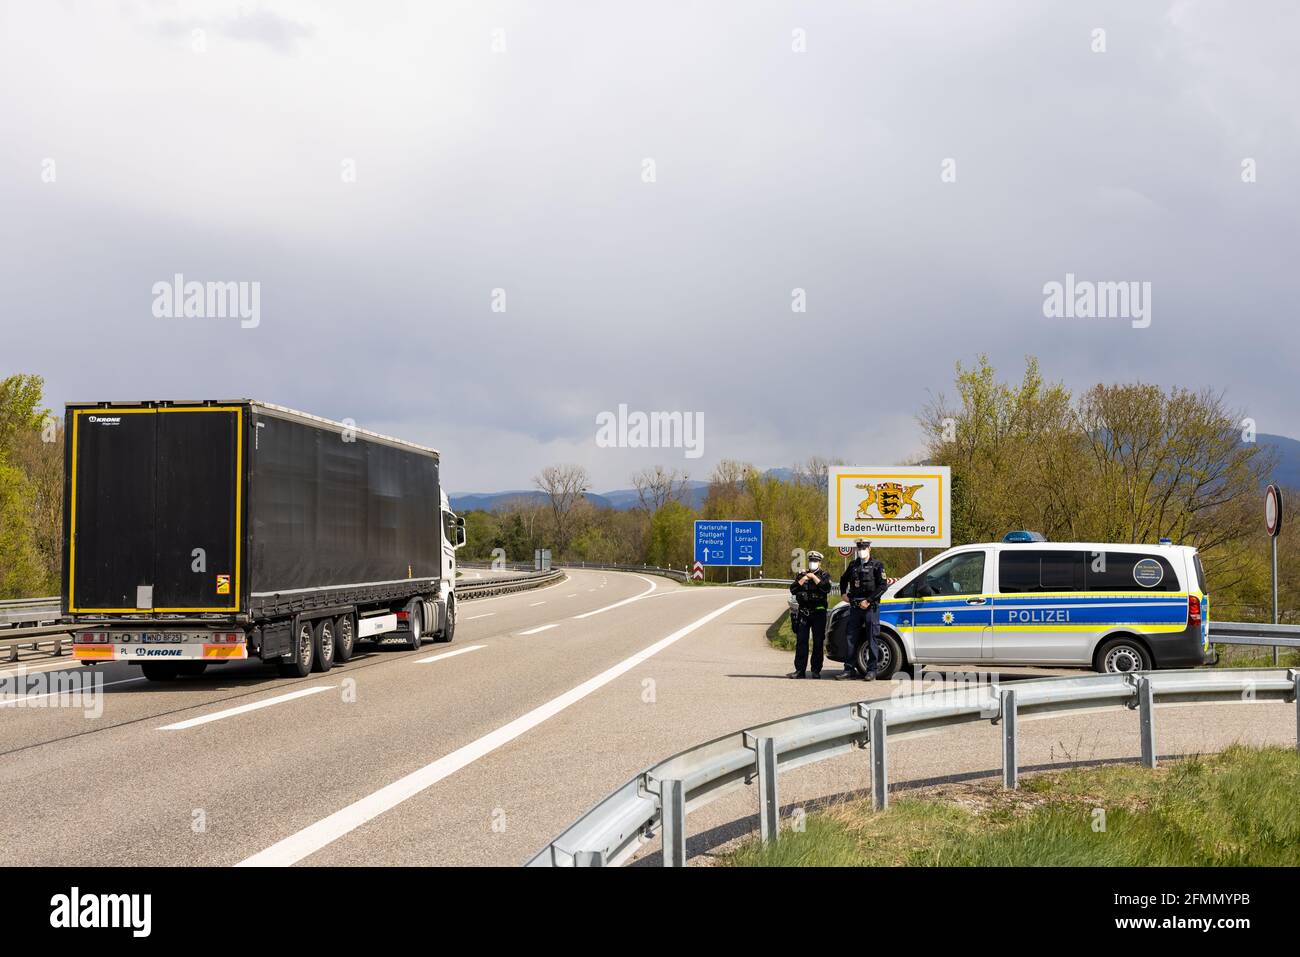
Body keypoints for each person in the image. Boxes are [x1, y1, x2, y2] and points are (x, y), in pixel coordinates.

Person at [837, 540, 888, 680]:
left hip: (870, 607)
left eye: (864, 547)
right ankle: (848, 669)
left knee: (872, 638)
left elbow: (883, 586)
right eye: (859, 548)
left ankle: (872, 670)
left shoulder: (877, 565)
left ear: (869, 548)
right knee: (850, 638)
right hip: (855, 607)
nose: (861, 550)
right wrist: (843, 593)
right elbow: (843, 579)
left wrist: (869, 600)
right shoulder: (853, 565)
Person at [787, 551, 832, 679]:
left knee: (818, 643)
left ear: (819, 562)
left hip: (818, 613)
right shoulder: (802, 574)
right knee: (801, 642)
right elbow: (793, 589)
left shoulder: (824, 575)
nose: (813, 563)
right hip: (804, 613)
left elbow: (826, 588)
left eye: (815, 561)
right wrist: (804, 578)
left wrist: (814, 577)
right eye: (811, 560)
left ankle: (816, 670)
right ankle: (800, 670)